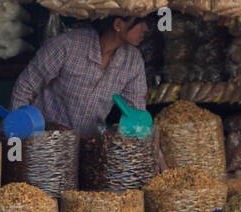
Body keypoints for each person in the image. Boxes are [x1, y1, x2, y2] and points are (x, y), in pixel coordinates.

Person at [10, 16, 148, 137]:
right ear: (118, 24)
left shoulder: (133, 61)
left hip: (86, 148)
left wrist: (159, 160)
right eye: (140, 21)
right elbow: (25, 86)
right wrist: (19, 131)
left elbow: (137, 115)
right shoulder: (68, 45)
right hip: (44, 143)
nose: (146, 28)